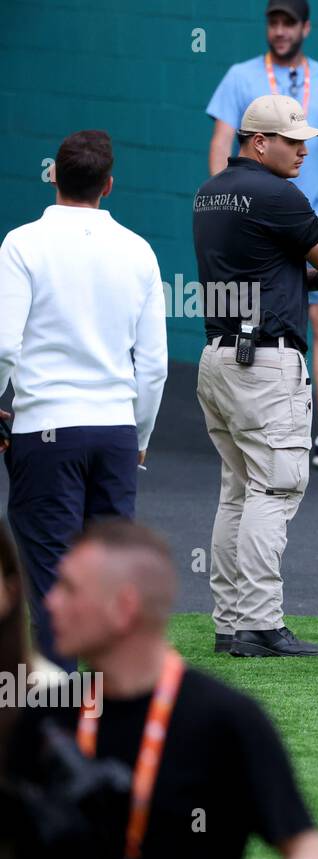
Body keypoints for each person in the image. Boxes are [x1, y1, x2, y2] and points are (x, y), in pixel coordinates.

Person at [0, 520, 318, 859]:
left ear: (123, 608)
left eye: (69, 589)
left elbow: (306, 848)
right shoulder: (46, 716)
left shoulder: (226, 722)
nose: (50, 602)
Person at [193, 94, 318, 658]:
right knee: (275, 485)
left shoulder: (211, 191)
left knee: (237, 492)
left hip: (219, 357)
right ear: (259, 142)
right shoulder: (275, 192)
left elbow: (250, 274)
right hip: (264, 362)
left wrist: (305, 283)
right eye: (293, 142)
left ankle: (231, 621)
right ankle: (260, 623)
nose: (304, 152)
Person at [0, 129, 168, 672]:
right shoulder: (139, 251)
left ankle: (60, 717)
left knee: (53, 579)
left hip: (45, 432)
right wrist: (138, 438)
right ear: (109, 185)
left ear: (54, 177)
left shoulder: (22, 244)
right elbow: (155, 366)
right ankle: (114, 709)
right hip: (115, 433)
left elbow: (4, 344)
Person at [206, 0, 318, 470]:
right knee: (249, 309)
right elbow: (220, 144)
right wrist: (229, 206)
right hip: (258, 211)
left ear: (305, 28)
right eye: (272, 21)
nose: (279, 30)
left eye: (288, 22)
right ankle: (248, 416)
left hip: (314, 215)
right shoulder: (239, 76)